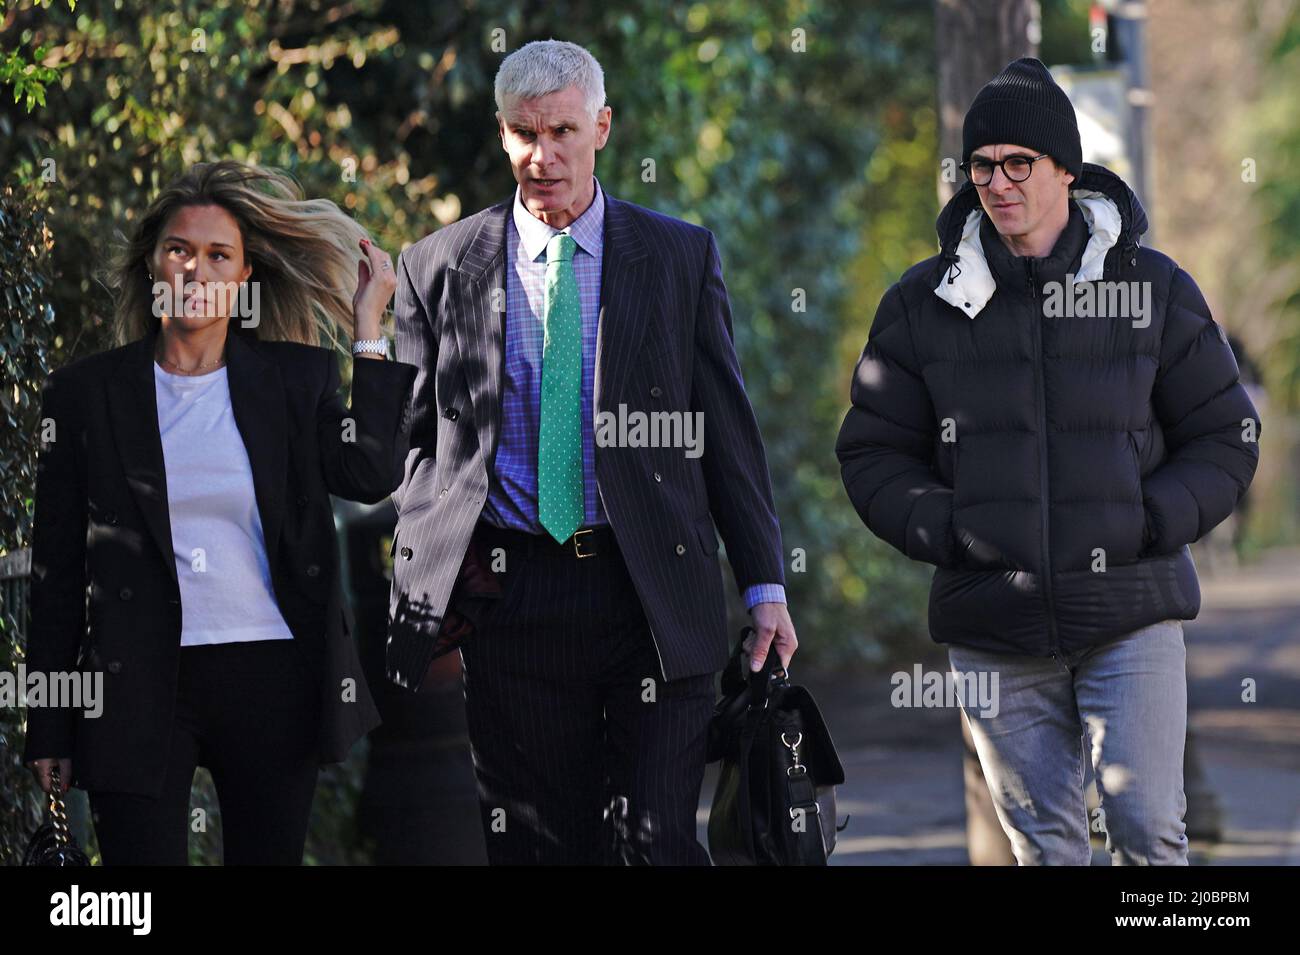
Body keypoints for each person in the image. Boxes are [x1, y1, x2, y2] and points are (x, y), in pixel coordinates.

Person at [835, 58, 1260, 865]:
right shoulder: (922, 304)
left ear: (1066, 169)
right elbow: (871, 450)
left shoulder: (1152, 288)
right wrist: (954, 530)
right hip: (994, 629)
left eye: (1018, 163)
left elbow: (1226, 436)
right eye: (982, 166)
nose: (998, 183)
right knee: (1046, 850)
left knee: (1145, 829)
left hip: (1129, 614)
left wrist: (1151, 520)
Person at [385, 39, 795, 865]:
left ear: (601, 127)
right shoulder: (436, 267)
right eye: (524, 133)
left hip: (650, 589)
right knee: (539, 849)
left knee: (656, 845)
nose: (544, 156)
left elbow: (727, 436)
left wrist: (765, 583)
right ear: (502, 135)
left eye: (564, 131)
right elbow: (410, 449)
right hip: (513, 599)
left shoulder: (679, 257)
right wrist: (433, 569)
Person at [23, 160, 418, 864]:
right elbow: (56, 573)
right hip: (137, 679)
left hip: (271, 676)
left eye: (217, 256)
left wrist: (368, 328)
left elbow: (370, 471)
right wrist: (48, 725)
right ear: (152, 263)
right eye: (179, 250)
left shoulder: (293, 382)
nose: (195, 271)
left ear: (243, 279)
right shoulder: (85, 396)